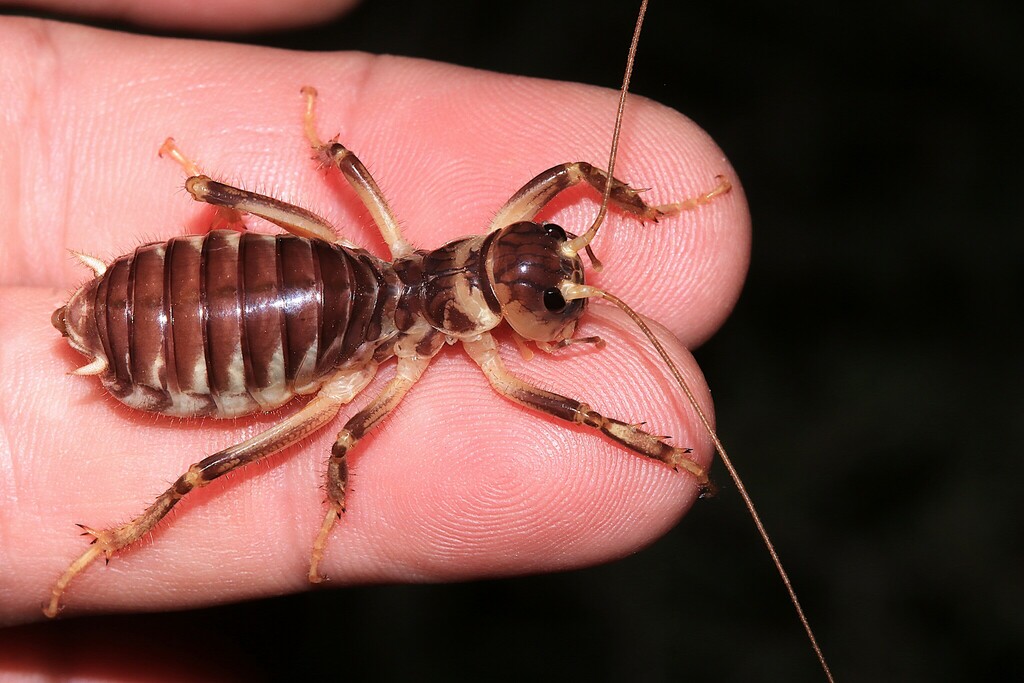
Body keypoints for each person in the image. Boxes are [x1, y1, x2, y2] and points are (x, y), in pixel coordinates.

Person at [0, 0, 749, 660]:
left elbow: (562, 169)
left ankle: (210, 204)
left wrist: (318, 145)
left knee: (228, 455)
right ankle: (113, 540)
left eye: (556, 287)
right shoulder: (477, 358)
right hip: (195, 330)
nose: (567, 278)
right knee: (207, 471)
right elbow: (351, 439)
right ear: (502, 241)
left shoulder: (407, 253)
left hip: (252, 295)